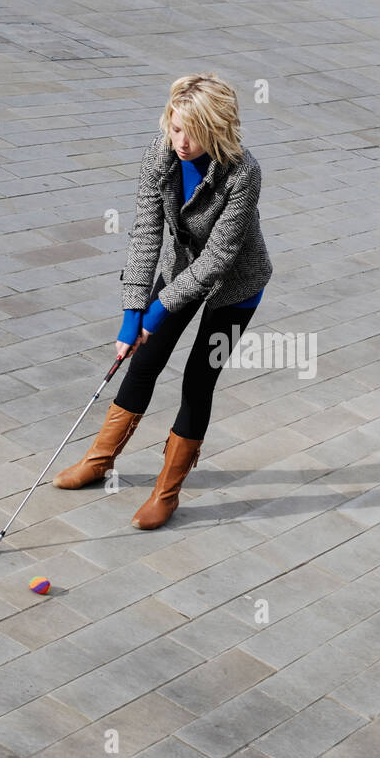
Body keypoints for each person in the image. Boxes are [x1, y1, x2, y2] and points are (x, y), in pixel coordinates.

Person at [52, 73, 272, 530]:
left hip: (236, 287)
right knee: (144, 360)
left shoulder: (243, 172)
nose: (181, 141)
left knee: (197, 379)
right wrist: (133, 312)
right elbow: (146, 233)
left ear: (218, 129)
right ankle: (100, 459)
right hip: (181, 271)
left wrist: (157, 309)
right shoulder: (159, 154)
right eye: (175, 128)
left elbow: (218, 259)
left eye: (193, 132)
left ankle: (166, 492)